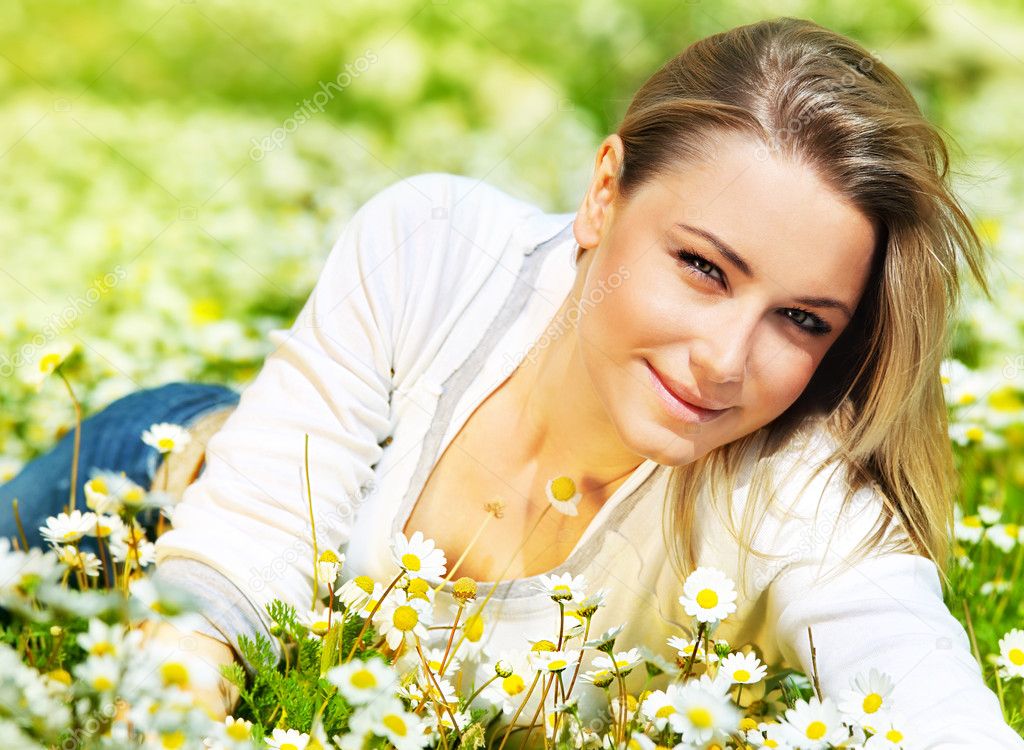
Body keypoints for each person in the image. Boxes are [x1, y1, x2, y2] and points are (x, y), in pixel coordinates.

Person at [4, 16, 1021, 747]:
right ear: (604, 193)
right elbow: (236, 555)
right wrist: (172, 702)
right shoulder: (435, 243)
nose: (724, 359)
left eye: (800, 320)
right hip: (154, 486)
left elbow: (925, 696)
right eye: (703, 267)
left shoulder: (797, 494)